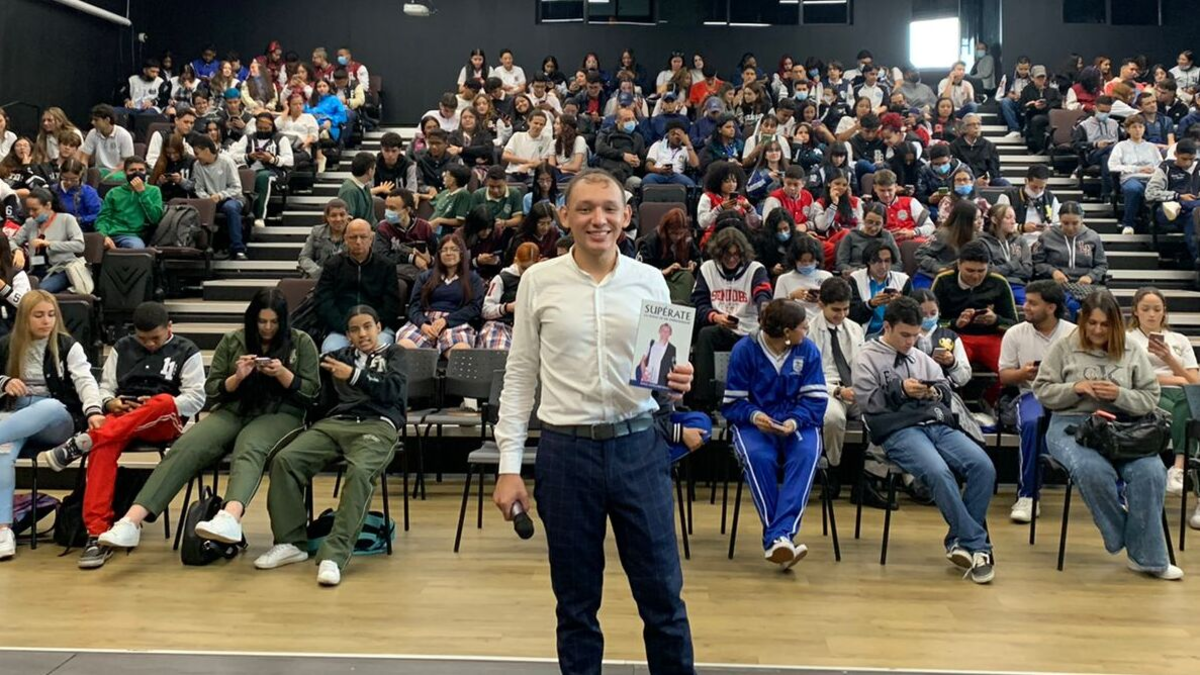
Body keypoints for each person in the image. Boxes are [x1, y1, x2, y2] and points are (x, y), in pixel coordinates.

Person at [492, 169, 695, 672]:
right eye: (584, 208)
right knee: (576, 606)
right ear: (565, 215)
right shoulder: (539, 281)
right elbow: (519, 378)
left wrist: (677, 379)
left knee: (663, 601)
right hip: (566, 455)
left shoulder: (649, 281)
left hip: (639, 448)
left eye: (609, 208)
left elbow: (661, 369)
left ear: (626, 216)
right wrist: (508, 466)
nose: (597, 218)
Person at [98, 289, 319, 553]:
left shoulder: (301, 342)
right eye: (262, 322)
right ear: (252, 319)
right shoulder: (233, 340)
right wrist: (237, 377)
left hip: (282, 413)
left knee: (249, 447)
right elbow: (212, 391)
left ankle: (230, 516)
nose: (268, 328)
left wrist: (283, 373)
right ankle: (131, 521)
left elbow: (312, 393)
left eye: (274, 322)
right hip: (234, 409)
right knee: (187, 446)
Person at [39, 302, 205, 569]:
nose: (149, 344)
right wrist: (109, 404)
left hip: (164, 419)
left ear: (169, 328)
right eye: (143, 338)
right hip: (123, 413)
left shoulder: (187, 350)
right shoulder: (123, 347)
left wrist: (155, 405)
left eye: (156, 338)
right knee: (103, 449)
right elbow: (106, 388)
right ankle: (97, 534)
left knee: (161, 401)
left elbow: (196, 398)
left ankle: (86, 440)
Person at [1033, 291, 1181, 580]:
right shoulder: (1064, 348)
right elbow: (1042, 391)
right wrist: (1075, 388)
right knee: (1092, 469)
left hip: (1124, 426)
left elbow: (1151, 397)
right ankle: (1127, 540)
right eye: (1092, 323)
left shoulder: (1131, 351)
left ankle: (1149, 560)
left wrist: (1120, 395)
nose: (1098, 330)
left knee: (1150, 472)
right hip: (1072, 424)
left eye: (1105, 324)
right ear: (1083, 321)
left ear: (1116, 324)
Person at [255, 304, 405, 587]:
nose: (362, 334)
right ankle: (291, 542)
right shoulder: (335, 358)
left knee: (360, 472)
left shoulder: (395, 354)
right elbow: (313, 394)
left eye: (367, 327)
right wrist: (280, 373)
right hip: (334, 424)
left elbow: (394, 391)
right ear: (347, 335)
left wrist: (354, 375)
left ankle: (333, 556)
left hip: (377, 425)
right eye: (355, 329)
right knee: (285, 460)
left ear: (379, 327)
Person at [853, 295, 996, 583]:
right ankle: (978, 546)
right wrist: (902, 391)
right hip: (897, 429)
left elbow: (945, 390)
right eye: (904, 335)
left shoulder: (921, 356)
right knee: (938, 473)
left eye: (915, 335)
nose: (910, 342)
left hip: (934, 423)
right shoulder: (866, 356)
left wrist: (932, 392)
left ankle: (960, 540)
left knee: (984, 467)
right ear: (887, 327)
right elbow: (867, 404)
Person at [722, 298, 826, 567]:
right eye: (803, 326)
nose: (807, 330)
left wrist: (794, 420)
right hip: (755, 423)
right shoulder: (744, 350)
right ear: (787, 332)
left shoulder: (809, 351)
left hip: (797, 424)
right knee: (759, 458)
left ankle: (778, 538)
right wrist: (755, 416)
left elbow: (815, 401)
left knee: (805, 455)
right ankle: (781, 539)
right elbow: (733, 404)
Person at [0, 291, 103, 560]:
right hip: (16, 419)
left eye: (51, 314)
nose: (46, 321)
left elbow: (85, 381)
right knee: (1, 456)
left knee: (49, 406)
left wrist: (93, 410)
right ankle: (3, 530)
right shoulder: (6, 344)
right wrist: (3, 382)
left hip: (56, 422)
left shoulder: (67, 346)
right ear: (24, 318)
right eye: (39, 315)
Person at [997, 280, 1074, 522]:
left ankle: (1115, 496)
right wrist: (1023, 374)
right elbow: (1005, 375)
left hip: (1068, 394)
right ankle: (1027, 496)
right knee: (1032, 422)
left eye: (1032, 303)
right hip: (1031, 393)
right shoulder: (1014, 333)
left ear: (1051, 307)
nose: (1025, 307)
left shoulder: (1074, 333)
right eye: (1026, 301)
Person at [1124, 287, 1200, 498]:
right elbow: (1129, 377)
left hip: (1184, 394)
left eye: (1157, 309)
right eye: (1146, 309)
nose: (1151, 314)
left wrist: (1169, 359)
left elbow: (1195, 380)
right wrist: (1175, 378)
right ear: (1136, 311)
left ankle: (1179, 468)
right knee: (1192, 420)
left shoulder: (1179, 339)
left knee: (1191, 402)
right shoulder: (1126, 338)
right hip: (1150, 393)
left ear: (1164, 312)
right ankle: (1182, 469)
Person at [691, 227, 772, 409]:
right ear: (718, 254)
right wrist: (715, 317)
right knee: (705, 334)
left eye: (736, 254)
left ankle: (761, 399)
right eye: (727, 254)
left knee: (765, 338)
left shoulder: (755, 269)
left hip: (749, 328)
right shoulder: (707, 269)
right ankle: (703, 402)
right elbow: (698, 302)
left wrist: (763, 308)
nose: (732, 258)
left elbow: (763, 291)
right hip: (722, 326)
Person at [930, 240, 1018, 374]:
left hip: (991, 337)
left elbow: (1014, 325)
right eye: (970, 270)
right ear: (959, 265)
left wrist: (995, 320)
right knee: (947, 367)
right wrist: (956, 323)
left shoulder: (999, 283)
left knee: (1009, 370)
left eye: (981, 271)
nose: (976, 276)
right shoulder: (943, 281)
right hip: (956, 336)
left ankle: (998, 394)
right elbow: (929, 323)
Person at [315, 219, 402, 352]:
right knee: (330, 350)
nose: (358, 241)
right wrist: (347, 328)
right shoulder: (332, 265)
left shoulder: (386, 266)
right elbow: (324, 301)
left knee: (380, 350)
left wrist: (372, 327)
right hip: (341, 329)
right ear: (345, 239)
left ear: (371, 238)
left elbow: (391, 304)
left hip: (378, 329)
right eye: (353, 237)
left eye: (363, 237)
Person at [806, 276, 862, 469]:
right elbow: (809, 376)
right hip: (826, 388)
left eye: (846, 309)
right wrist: (837, 391)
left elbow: (860, 365)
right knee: (833, 418)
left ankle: (870, 473)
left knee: (880, 413)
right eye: (836, 310)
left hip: (854, 387)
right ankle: (834, 467)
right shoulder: (808, 331)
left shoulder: (855, 329)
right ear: (821, 304)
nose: (842, 314)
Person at [395, 235, 484, 353]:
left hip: (456, 322)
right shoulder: (425, 277)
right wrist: (423, 324)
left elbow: (474, 307)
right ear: (439, 254)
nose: (448, 253)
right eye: (444, 249)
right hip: (426, 321)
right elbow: (414, 306)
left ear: (462, 253)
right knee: (405, 347)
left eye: (454, 249)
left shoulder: (473, 278)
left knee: (461, 352)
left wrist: (446, 321)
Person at [1032, 201, 1108, 299]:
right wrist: (1053, 271)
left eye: (1075, 223)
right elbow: (1037, 263)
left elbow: (1102, 265)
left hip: (1086, 285)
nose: (1070, 228)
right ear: (1059, 219)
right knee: (1068, 303)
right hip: (1055, 284)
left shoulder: (1093, 237)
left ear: (1082, 219)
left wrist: (1090, 277)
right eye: (1065, 223)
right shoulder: (1047, 236)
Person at [16, 188, 85, 294]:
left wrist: (50, 244)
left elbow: (79, 245)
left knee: (39, 291)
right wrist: (17, 250)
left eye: (35, 209)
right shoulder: (30, 223)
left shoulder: (67, 219)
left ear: (48, 206)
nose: (31, 213)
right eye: (29, 209)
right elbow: (11, 240)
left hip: (61, 270)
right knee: (20, 289)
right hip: (36, 270)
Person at [232, 113, 294, 229]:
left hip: (275, 171)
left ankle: (259, 216)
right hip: (250, 170)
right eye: (260, 128)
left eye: (266, 128)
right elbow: (233, 155)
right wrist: (248, 157)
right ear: (256, 126)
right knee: (243, 175)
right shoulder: (248, 138)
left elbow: (290, 161)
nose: (263, 131)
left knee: (262, 176)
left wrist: (272, 159)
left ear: (272, 126)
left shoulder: (281, 138)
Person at [190, 136, 248, 260]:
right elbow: (198, 188)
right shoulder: (197, 165)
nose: (196, 156)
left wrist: (220, 195)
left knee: (230, 208)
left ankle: (238, 249)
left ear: (206, 150)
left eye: (197, 153)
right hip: (209, 200)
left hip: (232, 198)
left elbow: (237, 188)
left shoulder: (227, 161)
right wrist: (208, 199)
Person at [478, 241, 540, 350]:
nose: (527, 272)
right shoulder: (501, 279)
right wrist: (507, 308)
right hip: (500, 326)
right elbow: (486, 310)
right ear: (516, 260)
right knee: (501, 351)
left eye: (531, 268)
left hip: (528, 329)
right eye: (524, 268)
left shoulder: (541, 280)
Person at [1146, 140, 1200, 264]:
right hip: (1170, 209)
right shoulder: (1166, 168)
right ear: (1176, 154)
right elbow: (1150, 193)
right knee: (1194, 216)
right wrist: (1177, 196)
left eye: (1191, 159)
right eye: (1184, 159)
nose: (1188, 162)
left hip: (1193, 210)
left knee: (1194, 216)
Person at [374, 188, 437, 292]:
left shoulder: (424, 227)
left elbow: (436, 252)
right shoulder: (383, 228)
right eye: (387, 207)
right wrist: (411, 258)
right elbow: (381, 256)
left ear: (407, 209)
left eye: (393, 208)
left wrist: (429, 260)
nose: (388, 211)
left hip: (424, 270)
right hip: (396, 272)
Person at [1109, 115, 1163, 234]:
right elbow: (1112, 166)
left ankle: (1158, 224)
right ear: (1128, 129)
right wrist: (1137, 169)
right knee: (1134, 189)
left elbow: (1162, 165)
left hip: (1151, 178)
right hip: (1131, 178)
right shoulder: (1120, 146)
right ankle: (1128, 224)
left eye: (1140, 127)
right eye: (1134, 127)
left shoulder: (1152, 147)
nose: (1138, 130)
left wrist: (1154, 170)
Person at [635, 207, 700, 306]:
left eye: (681, 233)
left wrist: (693, 264)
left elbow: (696, 257)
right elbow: (642, 271)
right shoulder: (651, 241)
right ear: (666, 230)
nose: (678, 237)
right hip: (657, 278)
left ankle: (680, 308)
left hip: (679, 278)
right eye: (674, 233)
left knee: (687, 277)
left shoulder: (686, 238)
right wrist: (664, 271)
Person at [95, 156, 162, 250]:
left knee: (136, 247)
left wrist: (142, 193)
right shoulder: (114, 192)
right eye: (132, 170)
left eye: (141, 170)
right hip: (111, 233)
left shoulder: (154, 191)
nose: (137, 173)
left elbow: (155, 219)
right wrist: (103, 235)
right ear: (125, 172)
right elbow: (103, 218)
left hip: (133, 236)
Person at [848, 240, 912, 337]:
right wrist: (870, 304)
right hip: (863, 334)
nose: (883, 266)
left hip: (894, 334)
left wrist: (900, 305)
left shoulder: (903, 280)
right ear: (869, 261)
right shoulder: (855, 279)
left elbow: (912, 315)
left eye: (887, 261)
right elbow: (851, 315)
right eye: (878, 261)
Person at [912, 289, 972, 389]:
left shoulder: (951, 336)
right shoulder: (904, 336)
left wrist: (953, 364)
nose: (928, 317)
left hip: (943, 392)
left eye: (933, 313)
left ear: (939, 312)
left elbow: (964, 379)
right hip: (911, 390)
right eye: (923, 314)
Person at [915, 200, 981, 287]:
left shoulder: (975, 237)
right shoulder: (943, 234)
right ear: (965, 221)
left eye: (981, 217)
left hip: (956, 280)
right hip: (930, 277)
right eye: (976, 219)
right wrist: (938, 267)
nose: (980, 222)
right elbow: (920, 254)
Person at [980, 203, 1033, 304]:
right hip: (994, 284)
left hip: (1018, 285)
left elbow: (1027, 271)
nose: (1013, 222)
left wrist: (1002, 268)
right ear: (995, 220)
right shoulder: (983, 242)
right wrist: (1014, 264)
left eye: (1014, 218)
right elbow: (989, 271)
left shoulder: (1020, 241)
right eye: (1008, 218)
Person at [774, 235, 832, 320]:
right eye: (803, 261)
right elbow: (776, 310)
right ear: (795, 260)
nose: (807, 264)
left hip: (821, 321)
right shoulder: (784, 279)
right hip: (794, 322)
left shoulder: (827, 277)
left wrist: (821, 299)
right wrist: (792, 297)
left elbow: (835, 305)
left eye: (811, 261)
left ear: (817, 260)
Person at [696, 161, 756, 242]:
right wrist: (720, 208)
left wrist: (749, 209)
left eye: (734, 181)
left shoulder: (742, 200)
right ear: (717, 181)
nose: (731, 184)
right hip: (715, 237)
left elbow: (755, 225)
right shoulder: (707, 197)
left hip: (740, 237)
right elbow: (703, 223)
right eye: (727, 181)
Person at [998, 164, 1062, 241]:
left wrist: (1048, 229)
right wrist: (1022, 228)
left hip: (1043, 242)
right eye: (1034, 187)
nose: (1038, 191)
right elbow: (999, 223)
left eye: (1042, 188)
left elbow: (1057, 224)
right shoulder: (1008, 196)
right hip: (1014, 240)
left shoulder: (1050, 198)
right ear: (1026, 181)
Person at [836, 202, 899, 277]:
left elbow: (898, 264)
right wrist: (855, 272)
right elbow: (841, 263)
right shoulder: (851, 236)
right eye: (870, 222)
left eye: (878, 224)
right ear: (863, 219)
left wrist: (883, 271)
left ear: (883, 224)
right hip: (856, 275)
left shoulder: (887, 236)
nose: (873, 227)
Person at [872, 169, 932, 242]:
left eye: (889, 190)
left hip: (914, 243)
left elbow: (931, 227)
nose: (886, 195)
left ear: (896, 187)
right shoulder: (872, 209)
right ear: (875, 188)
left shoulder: (911, 202)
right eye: (882, 190)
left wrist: (913, 232)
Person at [950, 114, 1009, 187]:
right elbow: (955, 169)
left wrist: (987, 179)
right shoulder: (954, 146)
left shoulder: (989, 146)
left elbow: (994, 169)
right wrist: (973, 181)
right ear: (964, 127)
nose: (976, 127)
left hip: (986, 181)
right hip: (964, 181)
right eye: (973, 124)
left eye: (978, 124)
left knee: (1003, 183)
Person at [298, 198, 349, 279]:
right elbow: (304, 257)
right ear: (327, 217)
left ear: (348, 216)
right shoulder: (317, 232)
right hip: (320, 277)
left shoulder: (354, 232)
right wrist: (318, 272)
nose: (338, 219)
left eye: (342, 215)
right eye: (333, 215)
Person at [79, 104, 135, 175]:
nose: (92, 122)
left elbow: (127, 162)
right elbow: (84, 158)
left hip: (119, 172)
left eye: (96, 120)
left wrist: (113, 173)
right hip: (99, 172)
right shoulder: (92, 133)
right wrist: (83, 172)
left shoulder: (124, 135)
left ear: (107, 120)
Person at [1018, 66, 1063, 153]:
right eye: (1038, 78)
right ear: (1032, 78)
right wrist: (1032, 105)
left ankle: (1045, 147)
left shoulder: (1052, 90)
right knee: (1035, 120)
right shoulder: (1027, 90)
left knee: (1040, 120)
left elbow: (1058, 103)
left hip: (1049, 115)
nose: (1041, 80)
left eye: (1043, 77)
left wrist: (1046, 105)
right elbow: (1021, 106)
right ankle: (1039, 147)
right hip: (1032, 114)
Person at [501, 110, 553, 181]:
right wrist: (527, 161)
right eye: (536, 123)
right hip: (512, 172)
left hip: (533, 175)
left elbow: (542, 161)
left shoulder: (547, 140)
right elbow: (506, 156)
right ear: (529, 122)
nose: (538, 126)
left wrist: (527, 166)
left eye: (541, 124)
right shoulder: (517, 136)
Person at [643, 120, 698, 187]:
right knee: (647, 180)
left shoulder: (686, 149)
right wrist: (659, 170)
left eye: (679, 135)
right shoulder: (657, 145)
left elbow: (695, 164)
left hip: (676, 176)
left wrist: (688, 143)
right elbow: (648, 166)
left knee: (691, 185)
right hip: (658, 174)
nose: (676, 137)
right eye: (673, 134)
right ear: (667, 135)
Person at [471, 165, 524, 232]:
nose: (496, 190)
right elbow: (472, 220)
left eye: (499, 187)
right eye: (492, 186)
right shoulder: (478, 195)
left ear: (506, 182)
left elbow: (518, 218)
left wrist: (504, 223)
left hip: (506, 231)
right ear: (487, 182)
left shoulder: (515, 194)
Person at [53, 160, 101, 232]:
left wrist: (80, 219)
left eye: (74, 179)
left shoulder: (88, 192)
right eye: (65, 178)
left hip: (81, 229)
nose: (69, 182)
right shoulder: (53, 190)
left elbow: (97, 214)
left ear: (80, 175)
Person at [427, 164, 474, 236]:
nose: (443, 176)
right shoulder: (446, 192)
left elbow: (460, 221)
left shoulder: (463, 194)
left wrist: (439, 220)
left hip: (444, 232)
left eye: (446, 175)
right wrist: (419, 195)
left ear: (453, 180)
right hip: (431, 228)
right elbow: (432, 198)